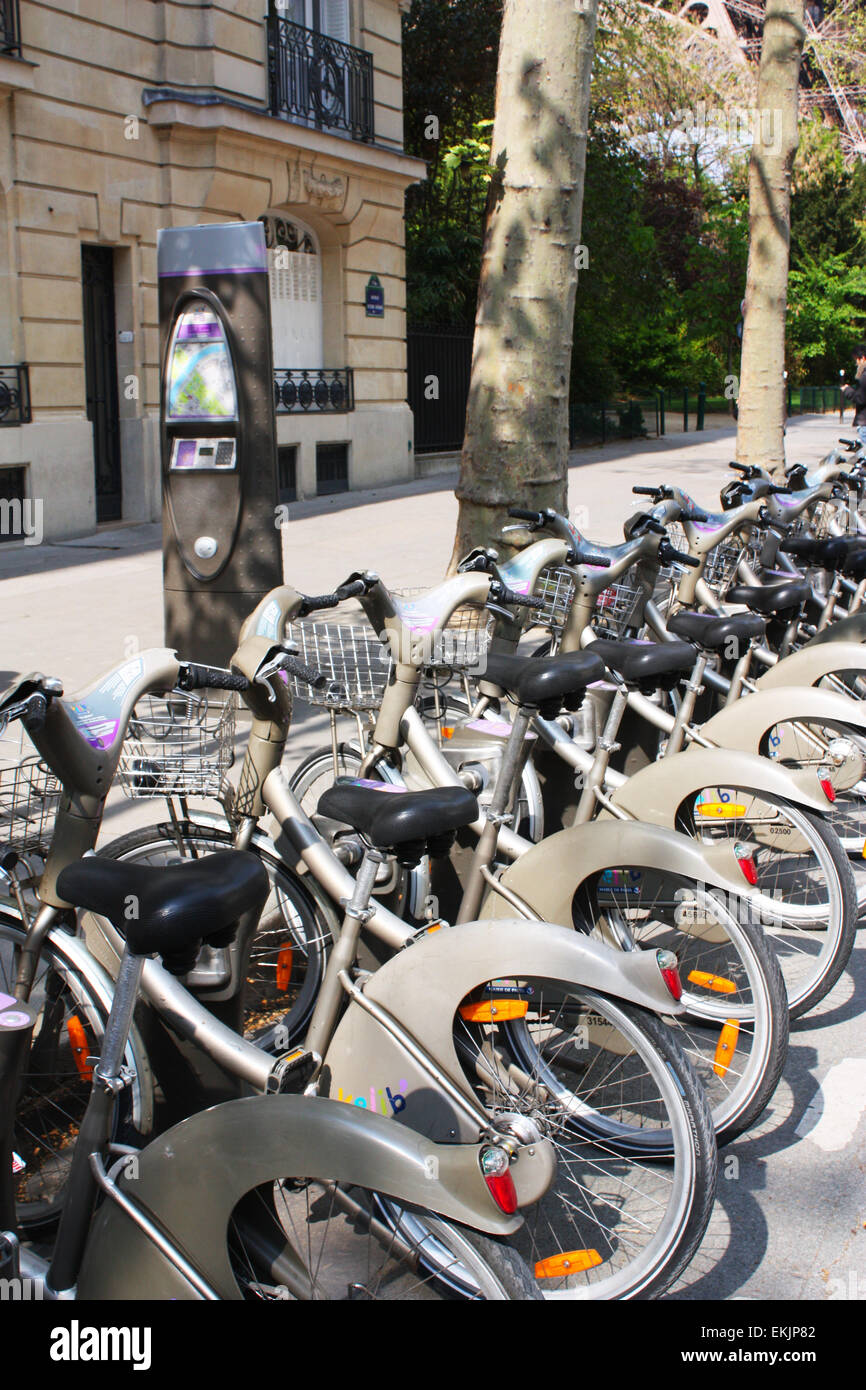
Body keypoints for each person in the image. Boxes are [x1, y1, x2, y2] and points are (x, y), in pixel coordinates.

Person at [841, 344, 866, 447]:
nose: (856, 363)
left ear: (863, 358)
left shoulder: (865, 376)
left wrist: (847, 390)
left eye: (856, 360)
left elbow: (860, 398)